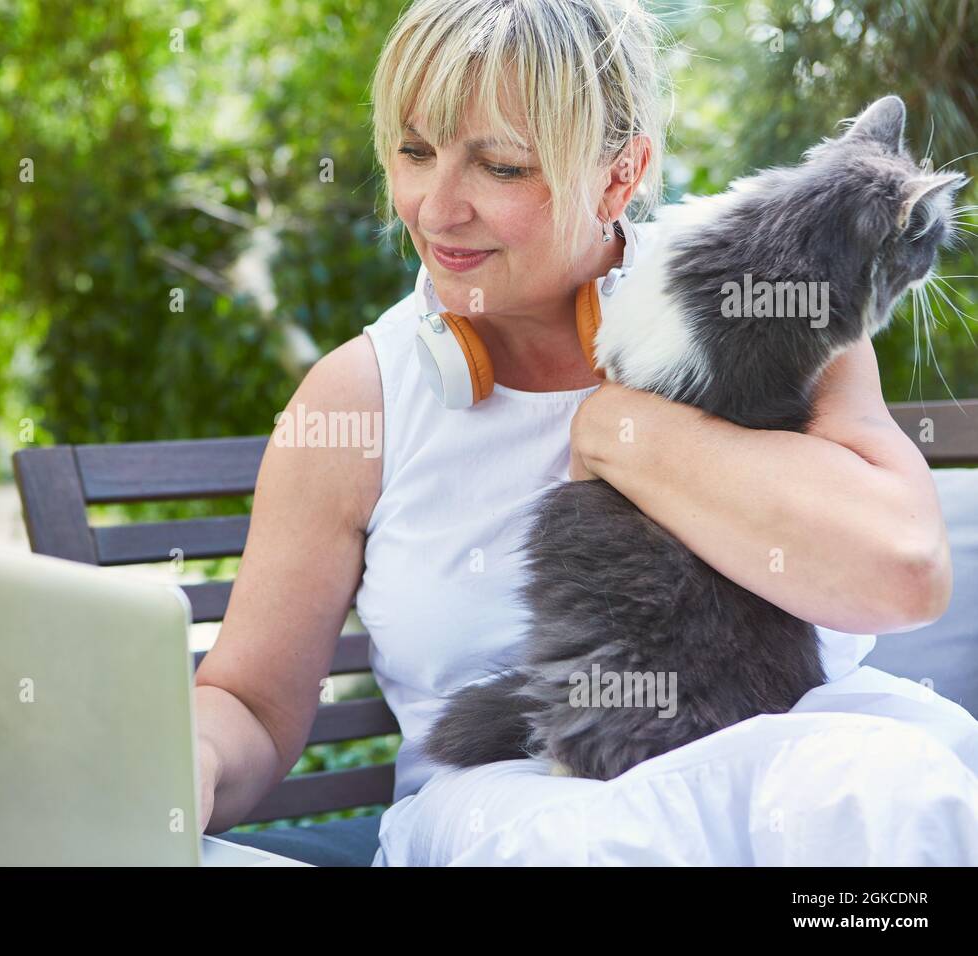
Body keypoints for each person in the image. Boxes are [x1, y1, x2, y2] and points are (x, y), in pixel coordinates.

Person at [198, 0, 978, 866]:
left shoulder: (775, 301)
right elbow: (251, 705)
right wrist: (188, 759)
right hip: (530, 792)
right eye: (415, 151)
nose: (435, 207)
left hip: (793, 759)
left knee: (887, 792)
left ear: (621, 175)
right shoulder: (358, 398)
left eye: (499, 165)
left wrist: (620, 431)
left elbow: (903, 572)